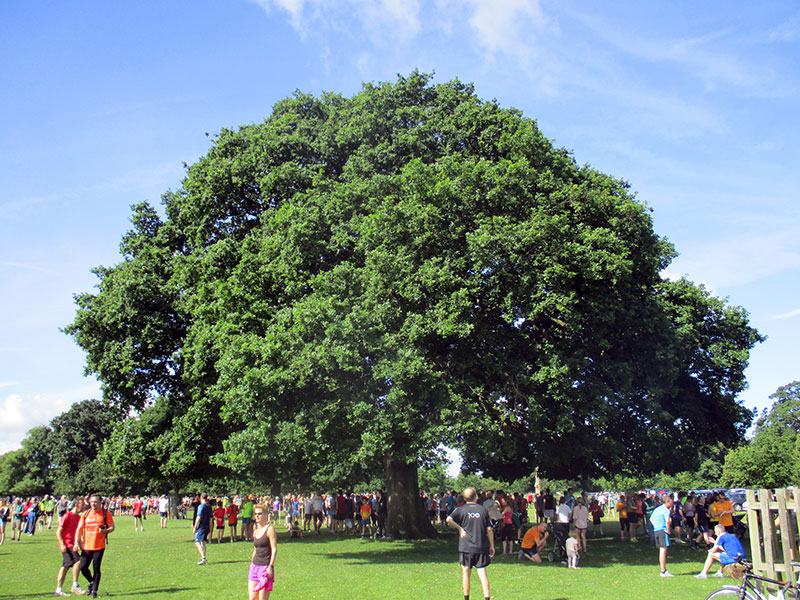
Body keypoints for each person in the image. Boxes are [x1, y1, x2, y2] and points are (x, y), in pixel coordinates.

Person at [447, 487, 495, 600]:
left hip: (466, 547)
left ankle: (466, 598)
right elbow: (489, 529)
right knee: (483, 574)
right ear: (476, 497)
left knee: (466, 573)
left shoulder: (460, 509)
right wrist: (492, 545)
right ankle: (487, 597)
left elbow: (449, 519)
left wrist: (460, 528)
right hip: (481, 546)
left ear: (464, 498)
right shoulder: (483, 510)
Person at [74, 494, 115, 598]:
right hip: (87, 546)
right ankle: (92, 582)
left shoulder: (105, 513)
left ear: (100, 502)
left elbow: (112, 527)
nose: (93, 504)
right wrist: (76, 542)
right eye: (91, 502)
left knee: (96, 567)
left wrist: (106, 531)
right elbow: (79, 528)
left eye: (95, 502)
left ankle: (94, 591)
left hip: (99, 546)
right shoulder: (86, 513)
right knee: (83, 567)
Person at [55, 498, 87, 596]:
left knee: (65, 567)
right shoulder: (67, 516)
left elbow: (77, 533)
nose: (84, 506)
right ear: (76, 505)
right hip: (67, 545)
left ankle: (58, 590)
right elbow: (58, 531)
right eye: (82, 504)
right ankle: (74, 585)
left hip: (73, 545)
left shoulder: (78, 517)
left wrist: (81, 545)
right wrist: (62, 544)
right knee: (77, 561)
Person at [248, 505, 277, 600]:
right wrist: (251, 563)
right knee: (252, 598)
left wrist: (270, 567)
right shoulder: (255, 530)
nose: (257, 516)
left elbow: (274, 549)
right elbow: (255, 549)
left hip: (264, 568)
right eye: (255, 514)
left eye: (259, 514)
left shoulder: (270, 529)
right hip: (254, 567)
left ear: (265, 515)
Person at [650, 494, 674, 578]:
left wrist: (656, 525)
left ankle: (663, 570)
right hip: (663, 531)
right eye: (671, 503)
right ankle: (663, 571)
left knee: (661, 550)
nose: (672, 504)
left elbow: (651, 519)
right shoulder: (666, 510)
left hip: (656, 530)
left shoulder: (657, 509)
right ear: (667, 502)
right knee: (663, 551)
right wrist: (668, 530)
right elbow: (667, 521)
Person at [193, 493, 212, 565]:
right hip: (207, 526)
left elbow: (198, 516)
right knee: (203, 542)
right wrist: (210, 527)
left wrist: (195, 526)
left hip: (202, 526)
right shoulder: (209, 507)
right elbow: (211, 518)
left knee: (197, 541)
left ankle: (203, 558)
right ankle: (203, 557)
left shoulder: (201, 506)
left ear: (201, 498)